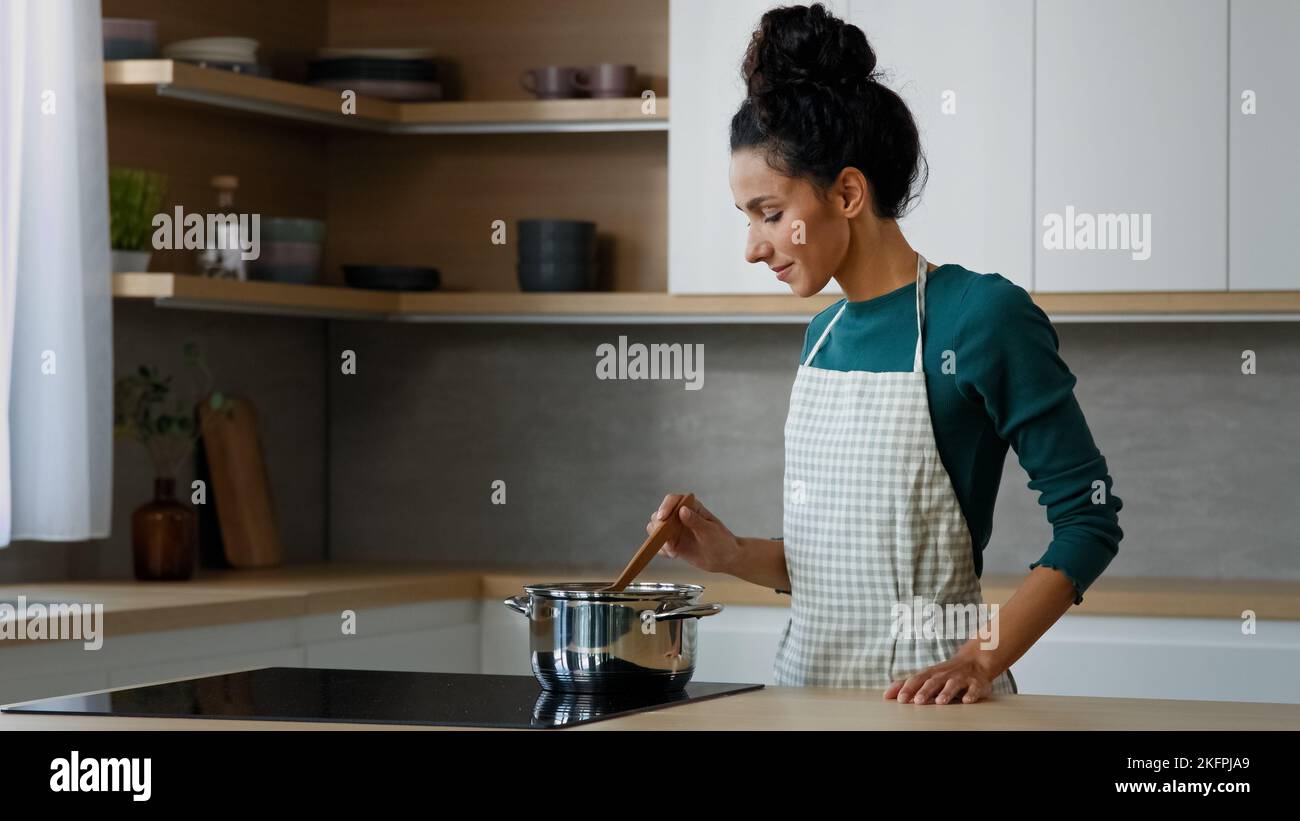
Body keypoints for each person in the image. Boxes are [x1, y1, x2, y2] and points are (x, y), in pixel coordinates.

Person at [649, 3, 1123, 705]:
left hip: (932, 708)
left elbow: (1089, 518)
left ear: (846, 192)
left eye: (770, 213)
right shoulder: (823, 337)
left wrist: (976, 660)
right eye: (745, 218)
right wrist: (731, 555)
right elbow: (845, 567)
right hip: (805, 701)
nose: (752, 246)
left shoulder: (981, 317)